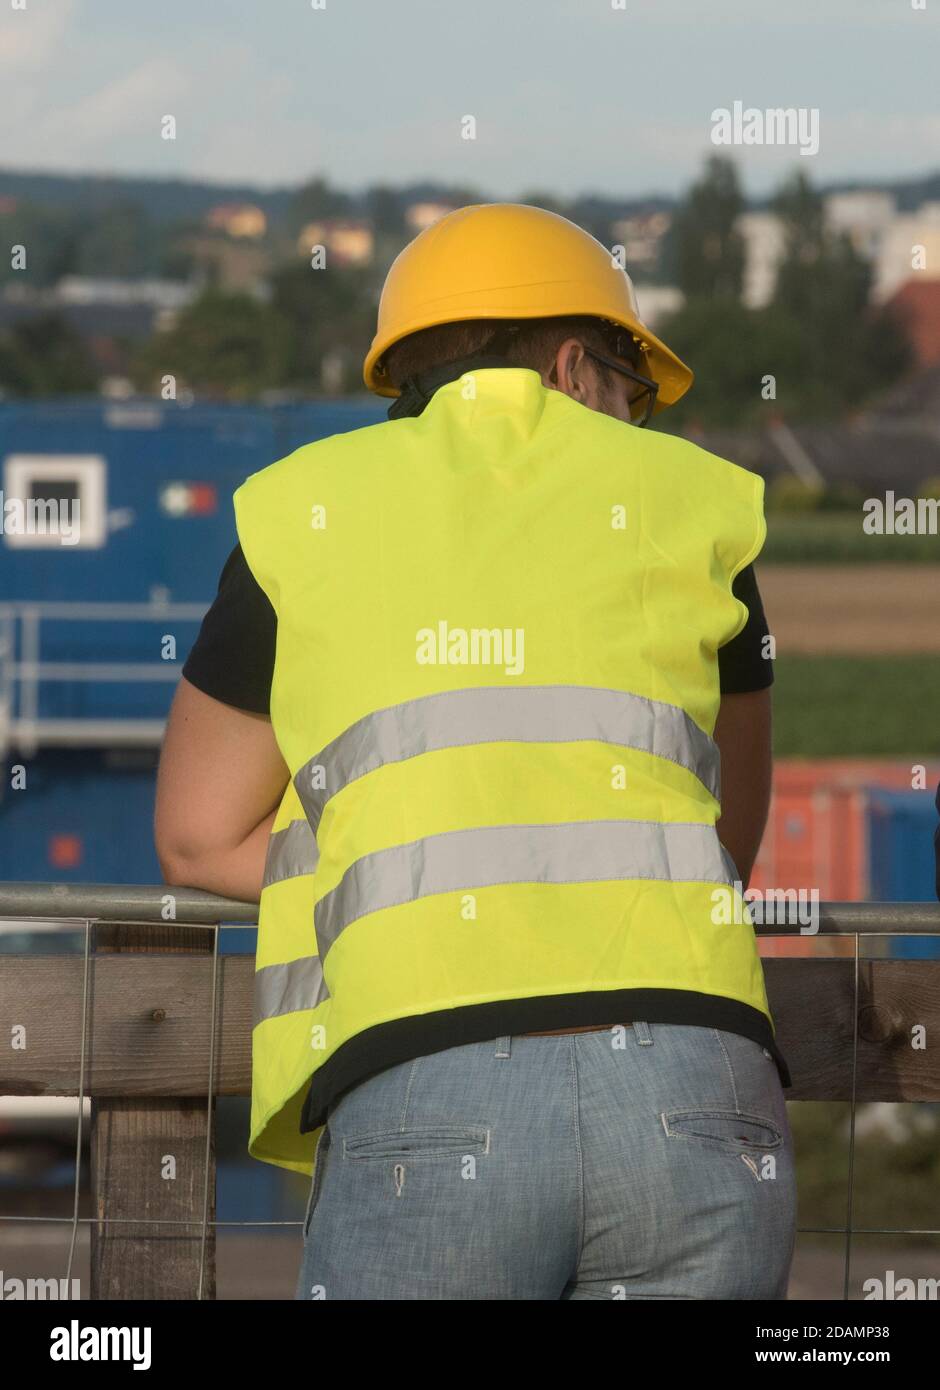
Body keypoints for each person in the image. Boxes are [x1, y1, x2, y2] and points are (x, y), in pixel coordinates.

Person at [155, 203, 796, 1301]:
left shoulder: (301, 511)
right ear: (570, 362)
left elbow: (196, 836)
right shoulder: (697, 504)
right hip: (702, 1094)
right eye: (632, 390)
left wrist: (389, 848)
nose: (634, 421)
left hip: (428, 1088)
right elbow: (721, 836)